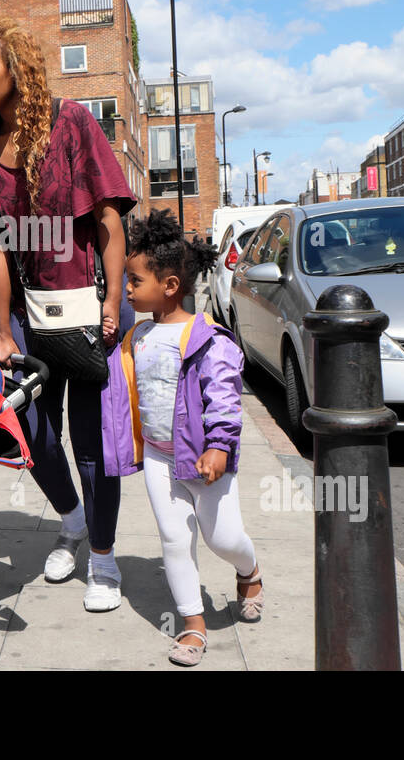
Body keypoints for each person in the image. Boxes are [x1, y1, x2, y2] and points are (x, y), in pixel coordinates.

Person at [0, 16, 136, 612]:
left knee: (92, 444)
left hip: (88, 308)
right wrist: (1, 329)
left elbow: (109, 220)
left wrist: (114, 300)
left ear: (16, 69)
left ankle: (104, 559)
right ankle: (73, 520)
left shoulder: (72, 122)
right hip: (29, 315)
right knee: (29, 435)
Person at [102, 210, 263, 666]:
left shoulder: (208, 338)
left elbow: (225, 398)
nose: (127, 288)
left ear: (170, 286)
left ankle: (249, 572)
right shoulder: (139, 336)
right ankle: (193, 625)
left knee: (223, 538)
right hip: (158, 457)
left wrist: (218, 445)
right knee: (174, 538)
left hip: (204, 459)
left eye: (134, 281)